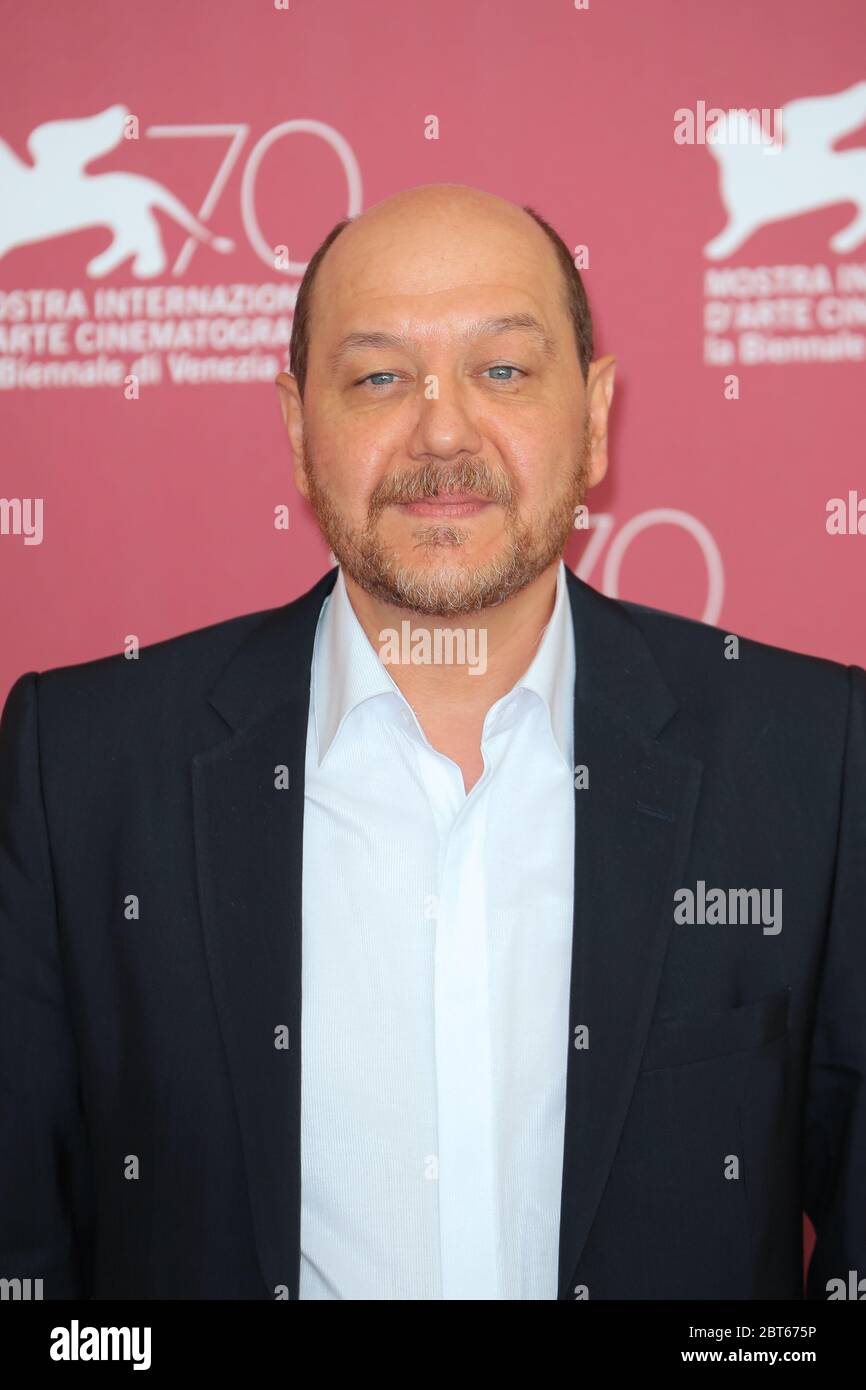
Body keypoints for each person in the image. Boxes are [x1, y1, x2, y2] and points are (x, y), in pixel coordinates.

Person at [0, 183, 863, 1300]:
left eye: (502, 370)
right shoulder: (82, 768)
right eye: (377, 377)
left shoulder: (808, 758)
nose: (442, 428)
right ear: (298, 428)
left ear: (594, 418)